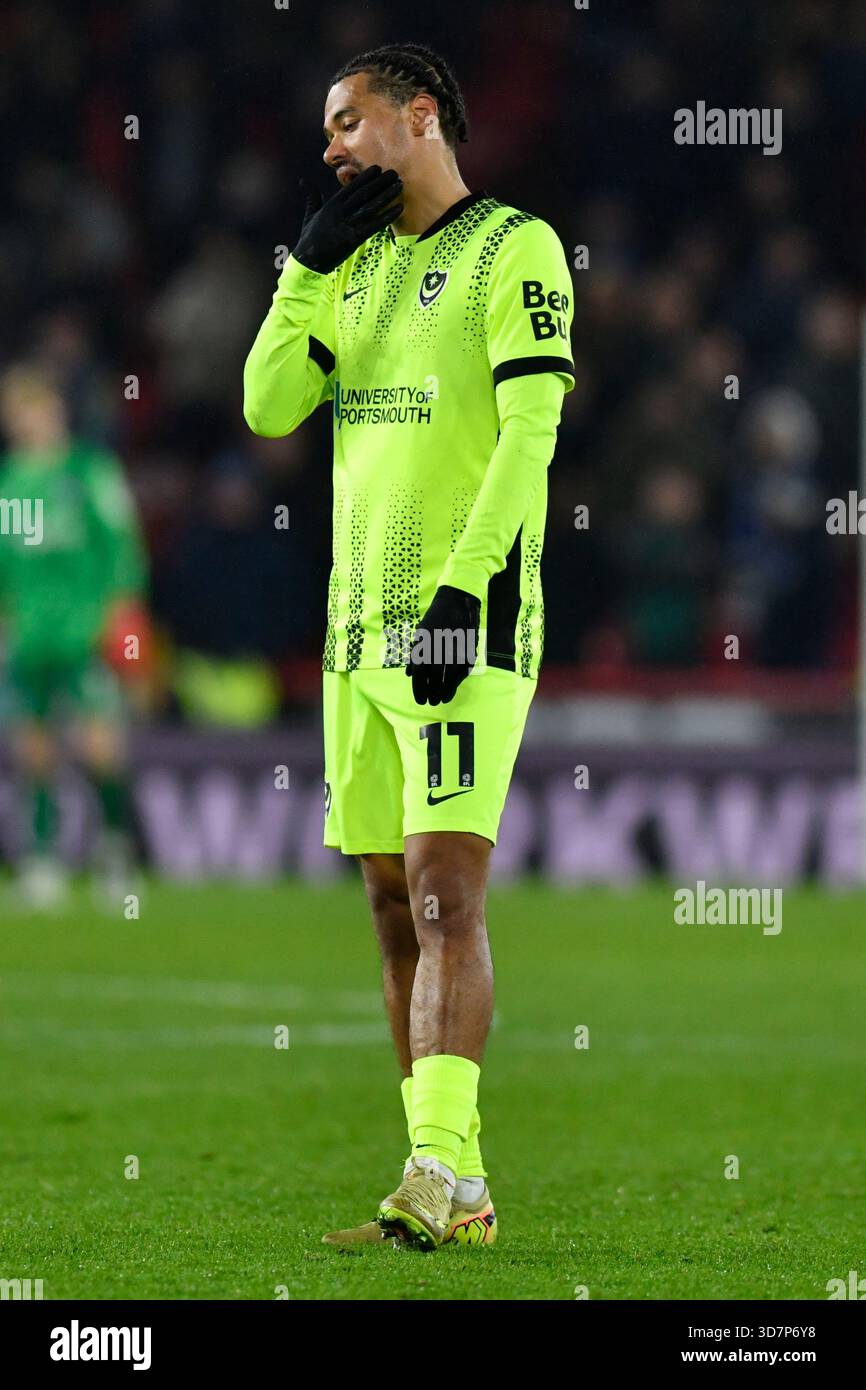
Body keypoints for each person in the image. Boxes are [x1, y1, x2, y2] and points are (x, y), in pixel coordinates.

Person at [244, 42, 574, 1248]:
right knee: (391, 905)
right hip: (354, 633)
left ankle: (435, 1170)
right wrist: (303, 274)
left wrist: (456, 592)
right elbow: (267, 405)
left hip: (463, 624)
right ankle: (459, 1185)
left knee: (443, 894)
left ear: (418, 113)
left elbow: (526, 439)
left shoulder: (516, 250)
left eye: (348, 120)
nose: (329, 145)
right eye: (324, 128)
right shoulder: (351, 264)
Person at [0, 364, 149, 908]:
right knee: (33, 752)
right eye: (17, 412)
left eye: (34, 408)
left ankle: (116, 850)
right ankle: (42, 862)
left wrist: (120, 618)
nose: (26, 421)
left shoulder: (89, 472)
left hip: (85, 635)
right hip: (29, 639)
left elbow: (122, 546)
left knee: (99, 747)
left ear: (55, 410)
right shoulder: (10, 481)